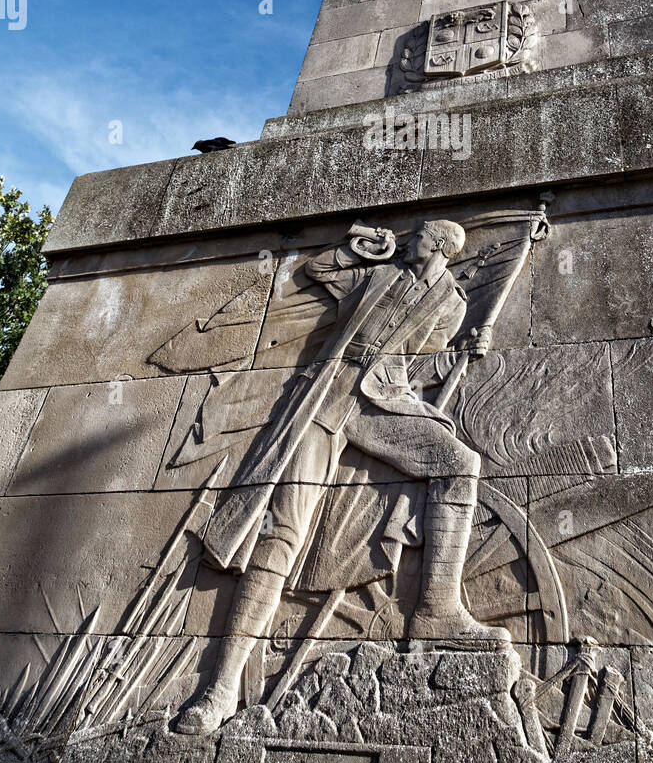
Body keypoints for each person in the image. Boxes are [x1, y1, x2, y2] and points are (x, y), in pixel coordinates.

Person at [177, 218, 508, 736]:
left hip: (383, 404)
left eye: (420, 234)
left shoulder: (452, 303)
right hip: (325, 398)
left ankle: (436, 606)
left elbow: (417, 370)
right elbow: (316, 267)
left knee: (460, 465)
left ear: (440, 245)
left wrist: (459, 354)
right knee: (280, 532)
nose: (412, 238)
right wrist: (362, 249)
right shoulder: (375, 275)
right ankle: (220, 689)